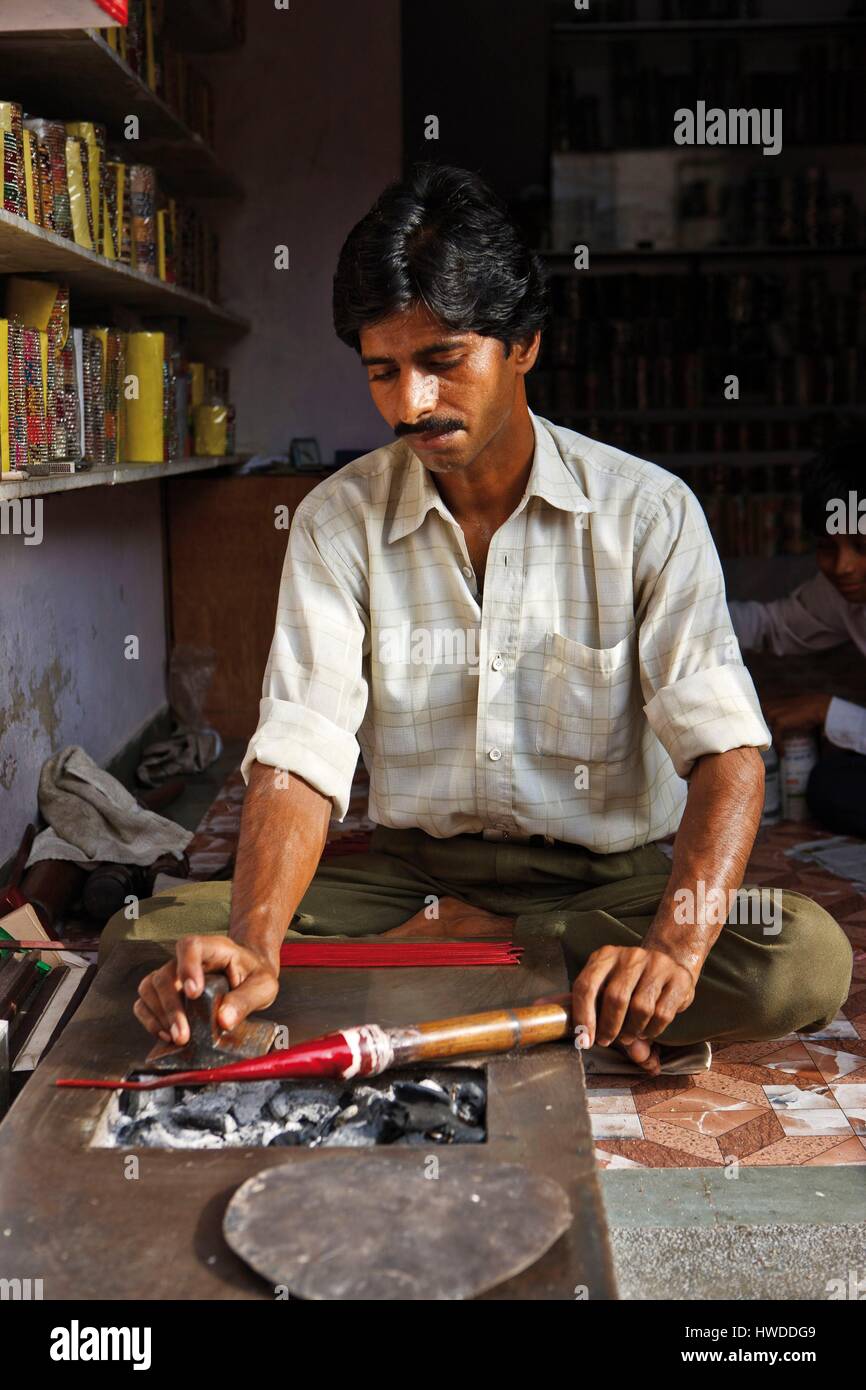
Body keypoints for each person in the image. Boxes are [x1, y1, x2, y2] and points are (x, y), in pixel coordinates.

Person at [104, 164, 851, 1075]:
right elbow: (301, 753)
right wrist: (257, 945)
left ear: (524, 344)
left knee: (802, 958)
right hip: (409, 877)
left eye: (442, 362)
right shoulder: (339, 521)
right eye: (383, 372)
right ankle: (547, 995)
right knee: (151, 935)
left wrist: (674, 952)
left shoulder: (647, 515)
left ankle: (463, 966)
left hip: (605, 884)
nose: (409, 404)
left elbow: (727, 756)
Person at [730, 439, 866, 837]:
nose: (843, 566)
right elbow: (772, 625)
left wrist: (827, 711)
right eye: (828, 548)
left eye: (861, 546)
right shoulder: (841, 591)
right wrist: (680, 612)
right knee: (831, 784)